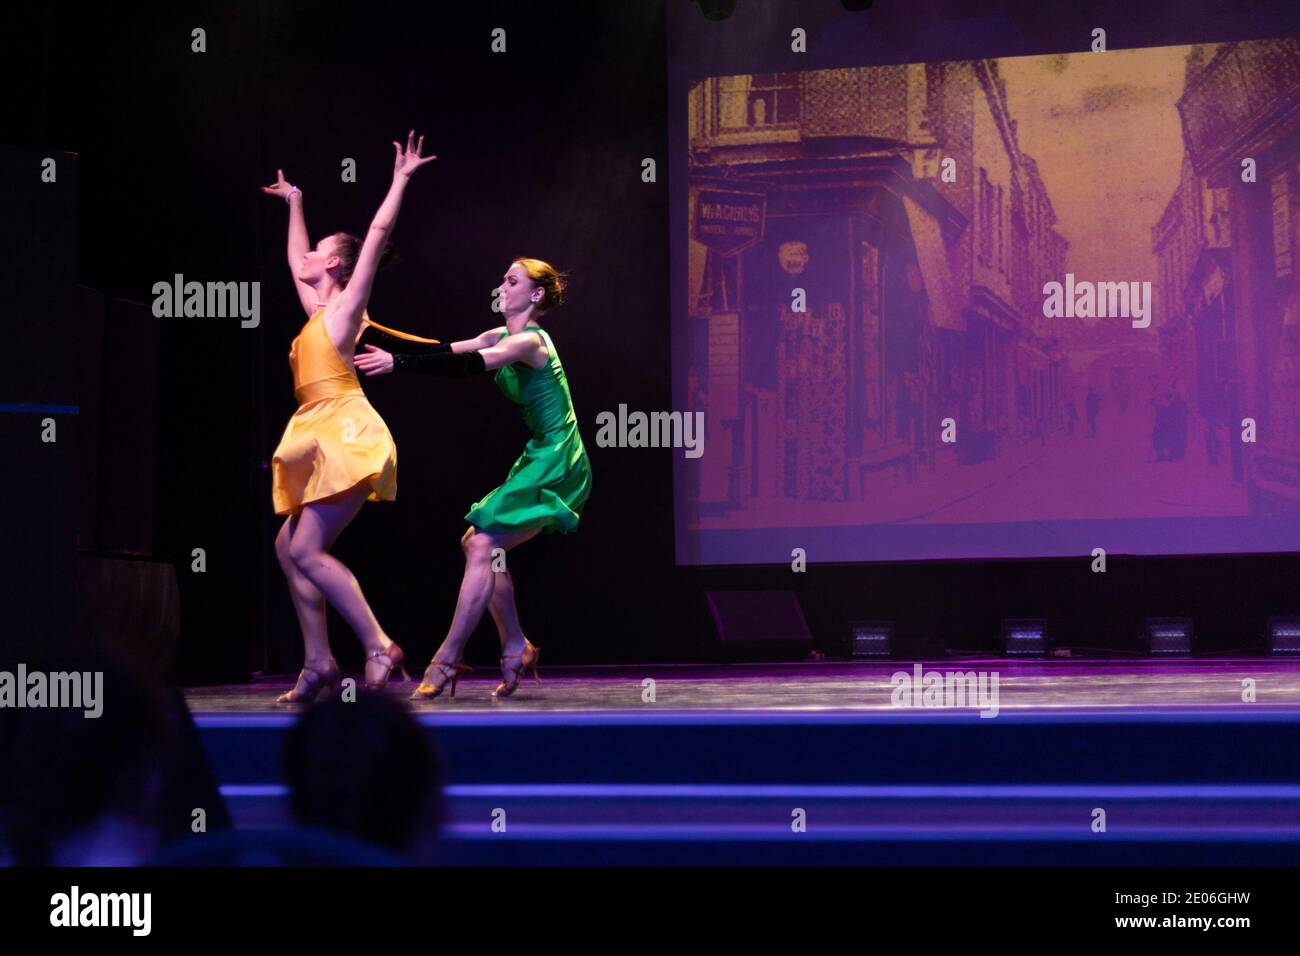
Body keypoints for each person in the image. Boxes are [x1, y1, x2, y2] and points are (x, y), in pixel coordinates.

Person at [355, 258, 592, 699]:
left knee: (482, 543)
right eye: (502, 277)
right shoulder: (499, 334)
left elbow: (466, 367)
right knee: (479, 544)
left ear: (535, 294)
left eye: (512, 280)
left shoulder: (530, 342)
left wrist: (396, 364)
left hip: (560, 457)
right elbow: (443, 350)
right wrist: (370, 329)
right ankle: (516, 644)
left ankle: (446, 660)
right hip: (541, 452)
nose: (501, 285)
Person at [261, 130, 438, 703]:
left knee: (307, 550)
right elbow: (294, 257)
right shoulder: (316, 310)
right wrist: (296, 203)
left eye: (319, 252)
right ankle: (318, 661)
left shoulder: (342, 312)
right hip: (318, 428)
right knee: (288, 548)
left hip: (347, 431)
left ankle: (378, 645)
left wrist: (401, 180)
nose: (306, 257)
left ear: (335, 263)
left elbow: (378, 235)